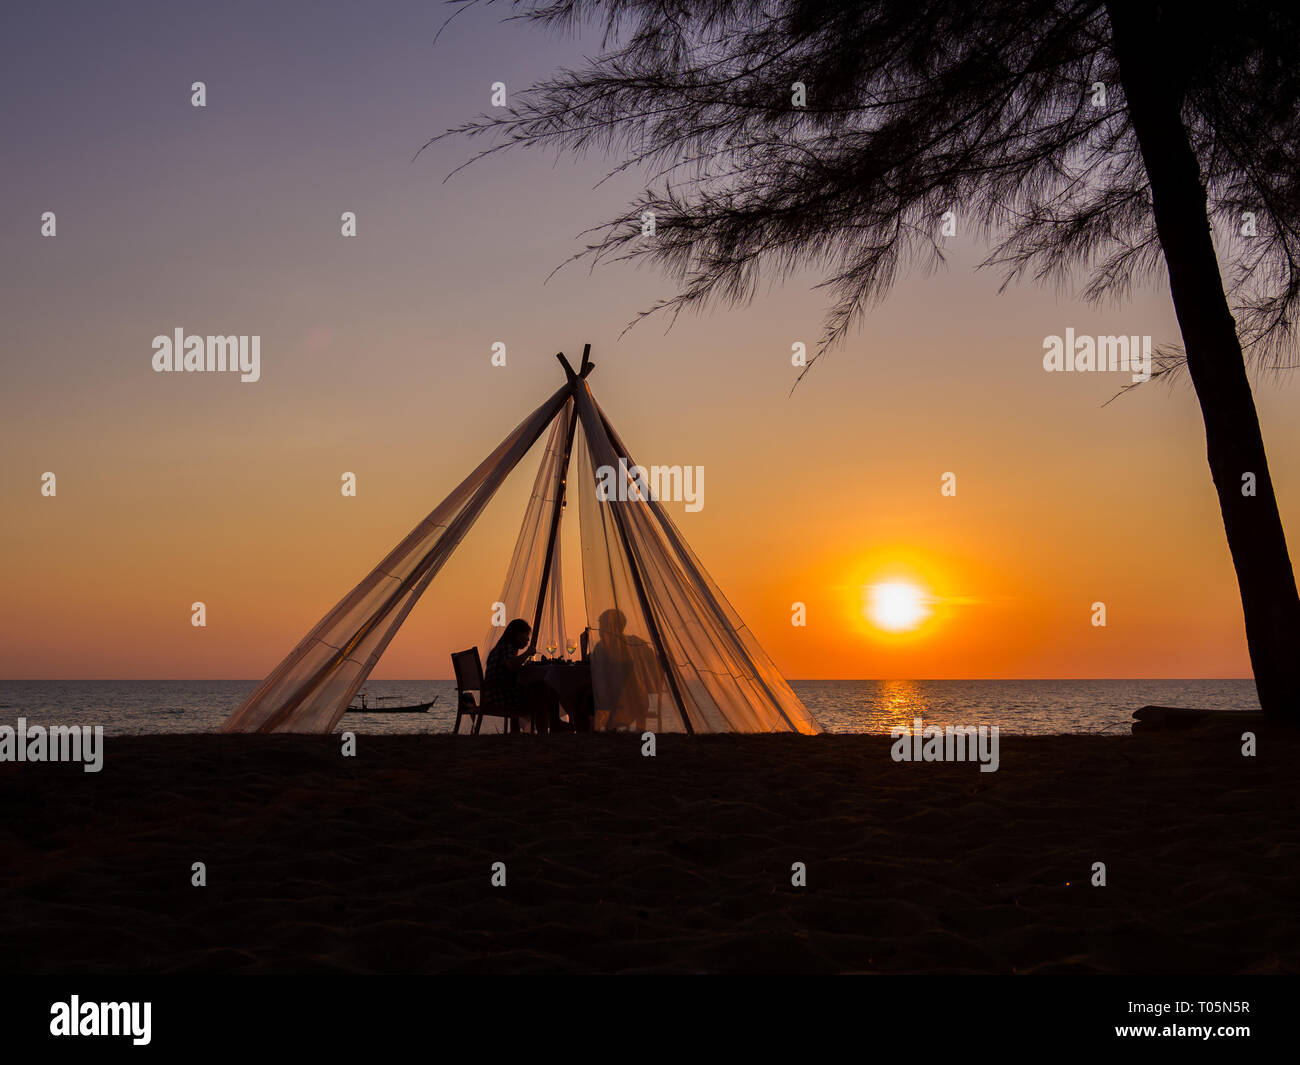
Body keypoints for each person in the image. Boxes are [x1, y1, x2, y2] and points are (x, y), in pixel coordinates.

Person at [482, 619, 563, 733]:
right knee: (544, 691)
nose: (528, 639)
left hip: (494, 694)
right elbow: (511, 665)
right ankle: (551, 729)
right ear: (517, 634)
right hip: (502, 696)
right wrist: (527, 653)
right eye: (526, 635)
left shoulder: (500, 648)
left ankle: (551, 726)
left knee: (541, 689)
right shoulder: (507, 647)